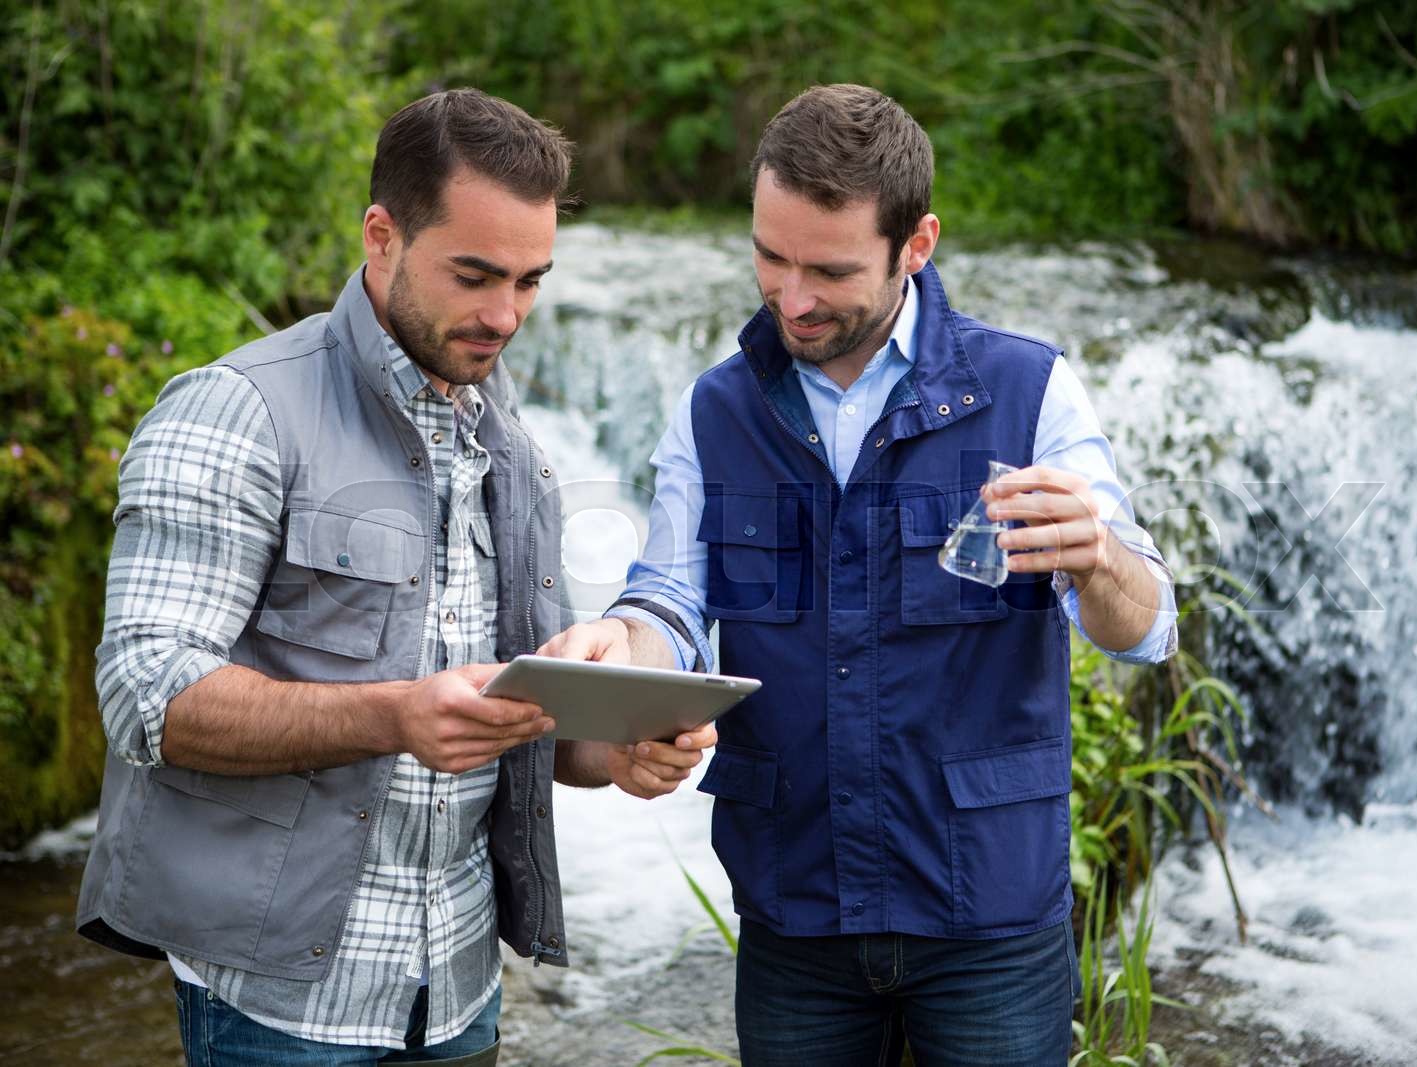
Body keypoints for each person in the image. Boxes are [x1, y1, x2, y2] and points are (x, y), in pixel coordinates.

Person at [75, 88, 714, 1067]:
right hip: (281, 1007)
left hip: (460, 993)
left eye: (531, 280)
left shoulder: (517, 450)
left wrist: (619, 753)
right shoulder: (232, 412)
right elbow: (144, 694)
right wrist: (393, 713)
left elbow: (526, 710)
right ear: (382, 235)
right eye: (475, 274)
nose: (505, 314)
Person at [541, 84, 1178, 1065]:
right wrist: (617, 659)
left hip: (991, 925)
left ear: (915, 245)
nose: (790, 297)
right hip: (795, 918)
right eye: (768, 256)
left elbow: (1143, 626)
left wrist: (1098, 554)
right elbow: (667, 597)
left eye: (828, 269)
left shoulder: (1031, 390)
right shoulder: (713, 410)